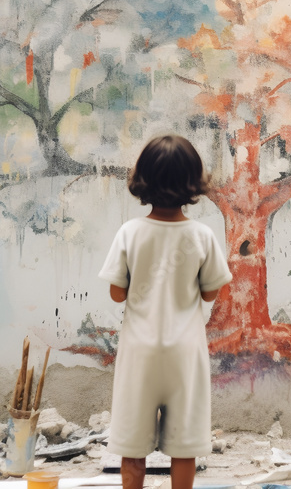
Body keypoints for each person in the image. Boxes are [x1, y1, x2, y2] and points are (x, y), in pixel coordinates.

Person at [98, 135, 232, 489]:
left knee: (132, 445)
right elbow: (210, 293)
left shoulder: (130, 232)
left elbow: (116, 293)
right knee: (184, 445)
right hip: (185, 354)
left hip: (139, 353)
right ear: (194, 183)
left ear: (143, 180)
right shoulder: (202, 235)